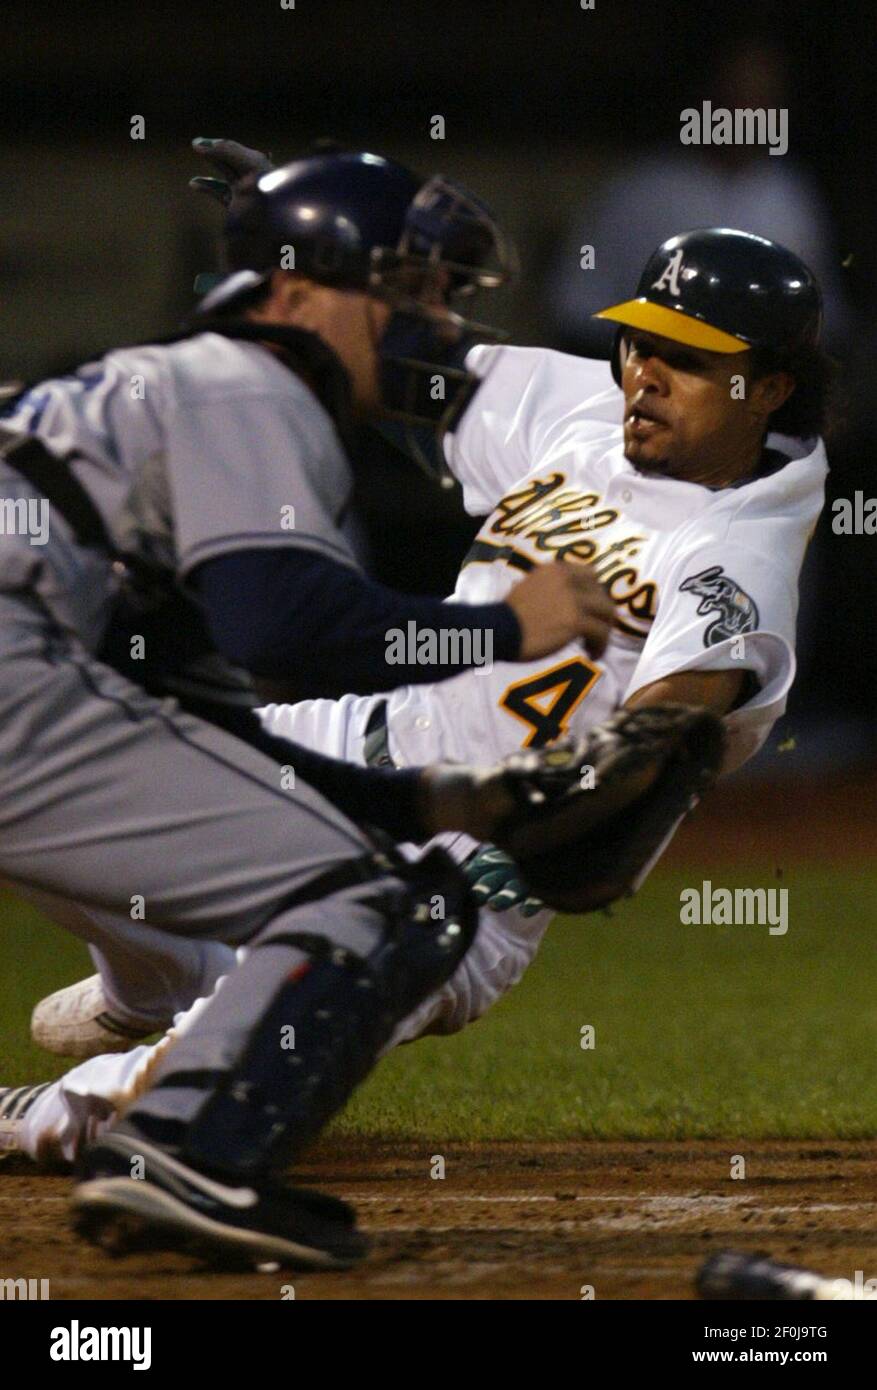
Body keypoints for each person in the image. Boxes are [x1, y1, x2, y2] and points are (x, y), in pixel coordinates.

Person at [4, 223, 830, 1196]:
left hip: (457, 869)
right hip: (352, 745)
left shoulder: (740, 545)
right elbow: (415, 373)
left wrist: (634, 758)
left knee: (180, 1103)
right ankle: (159, 978)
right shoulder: (589, 409)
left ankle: (52, 1110)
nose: (644, 372)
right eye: (638, 341)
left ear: (768, 387)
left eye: (688, 360)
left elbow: (680, 709)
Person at [0, 149, 630, 1269]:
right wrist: (497, 631)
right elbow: (284, 628)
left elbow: (218, 735)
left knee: (356, 870)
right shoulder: (253, 383)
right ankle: (188, 1150)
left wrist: (422, 793)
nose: (432, 322)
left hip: (31, 662)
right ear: (294, 292)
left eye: (437, 292)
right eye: (408, 288)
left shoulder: (190, 391)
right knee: (396, 904)